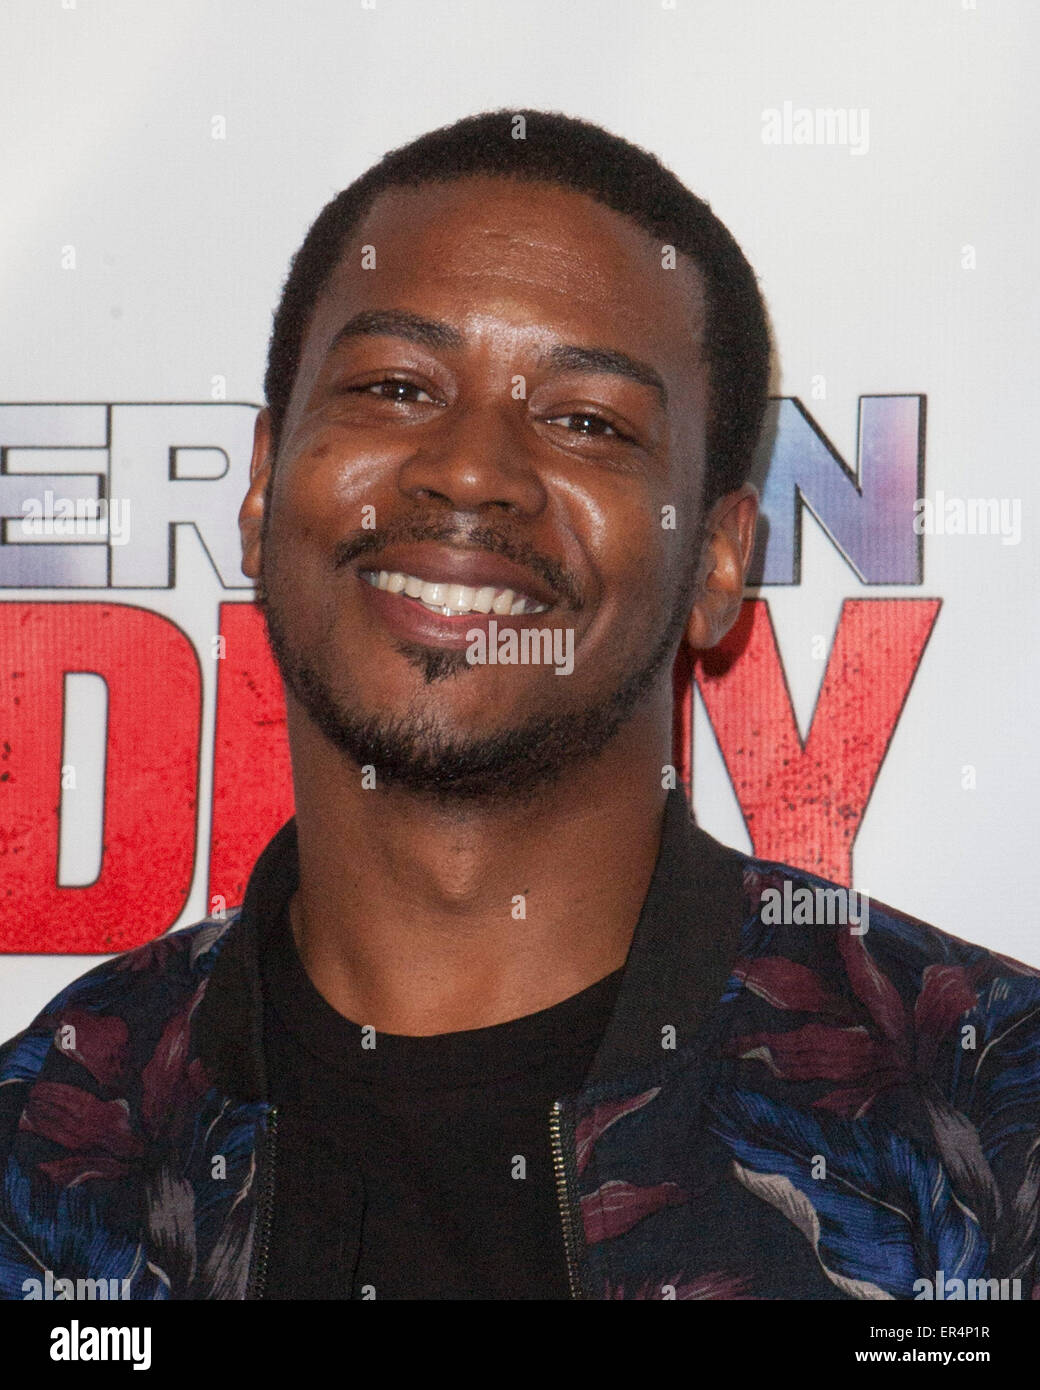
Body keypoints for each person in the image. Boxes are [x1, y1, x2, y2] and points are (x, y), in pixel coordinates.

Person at [2, 109, 1038, 1303]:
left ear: (715, 560)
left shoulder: (987, 1127)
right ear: (259, 488)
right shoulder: (45, 1144)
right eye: (395, 386)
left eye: (586, 419)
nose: (473, 468)